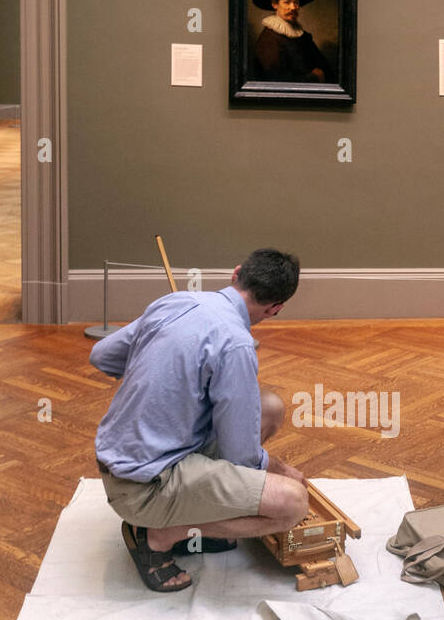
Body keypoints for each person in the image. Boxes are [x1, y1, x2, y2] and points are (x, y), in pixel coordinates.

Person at [89, 248, 308, 593]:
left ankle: (192, 511)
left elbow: (101, 355)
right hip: (142, 487)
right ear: (275, 308)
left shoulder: (175, 301)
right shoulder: (236, 344)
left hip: (118, 461)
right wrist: (278, 468)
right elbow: (240, 458)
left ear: (236, 273)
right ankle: (164, 533)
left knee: (270, 406)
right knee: (292, 504)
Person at [252, 0, 333, 82]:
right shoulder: (269, 38)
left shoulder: (302, 35)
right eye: (287, 2)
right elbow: (276, 80)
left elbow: (322, 64)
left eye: (296, 2)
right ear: (275, 4)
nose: (293, 7)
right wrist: (314, 78)